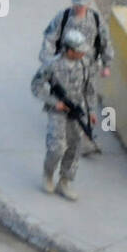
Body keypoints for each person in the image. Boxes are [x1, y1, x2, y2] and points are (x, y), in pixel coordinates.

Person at [40, 0, 112, 157]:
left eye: (83, 4)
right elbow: (49, 39)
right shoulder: (63, 18)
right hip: (63, 68)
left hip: (88, 69)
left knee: (86, 103)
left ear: (88, 4)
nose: (79, 7)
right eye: (77, 3)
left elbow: (105, 42)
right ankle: (60, 132)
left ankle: (86, 139)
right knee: (63, 100)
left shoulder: (95, 19)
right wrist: (48, 61)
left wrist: (107, 64)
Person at [32, 30, 98, 200]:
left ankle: (65, 181)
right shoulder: (52, 65)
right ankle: (48, 174)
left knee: (75, 148)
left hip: (77, 112)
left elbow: (89, 90)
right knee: (56, 147)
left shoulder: (84, 65)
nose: (82, 53)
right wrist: (55, 102)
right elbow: (36, 86)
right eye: (79, 50)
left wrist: (91, 111)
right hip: (58, 112)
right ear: (69, 50)